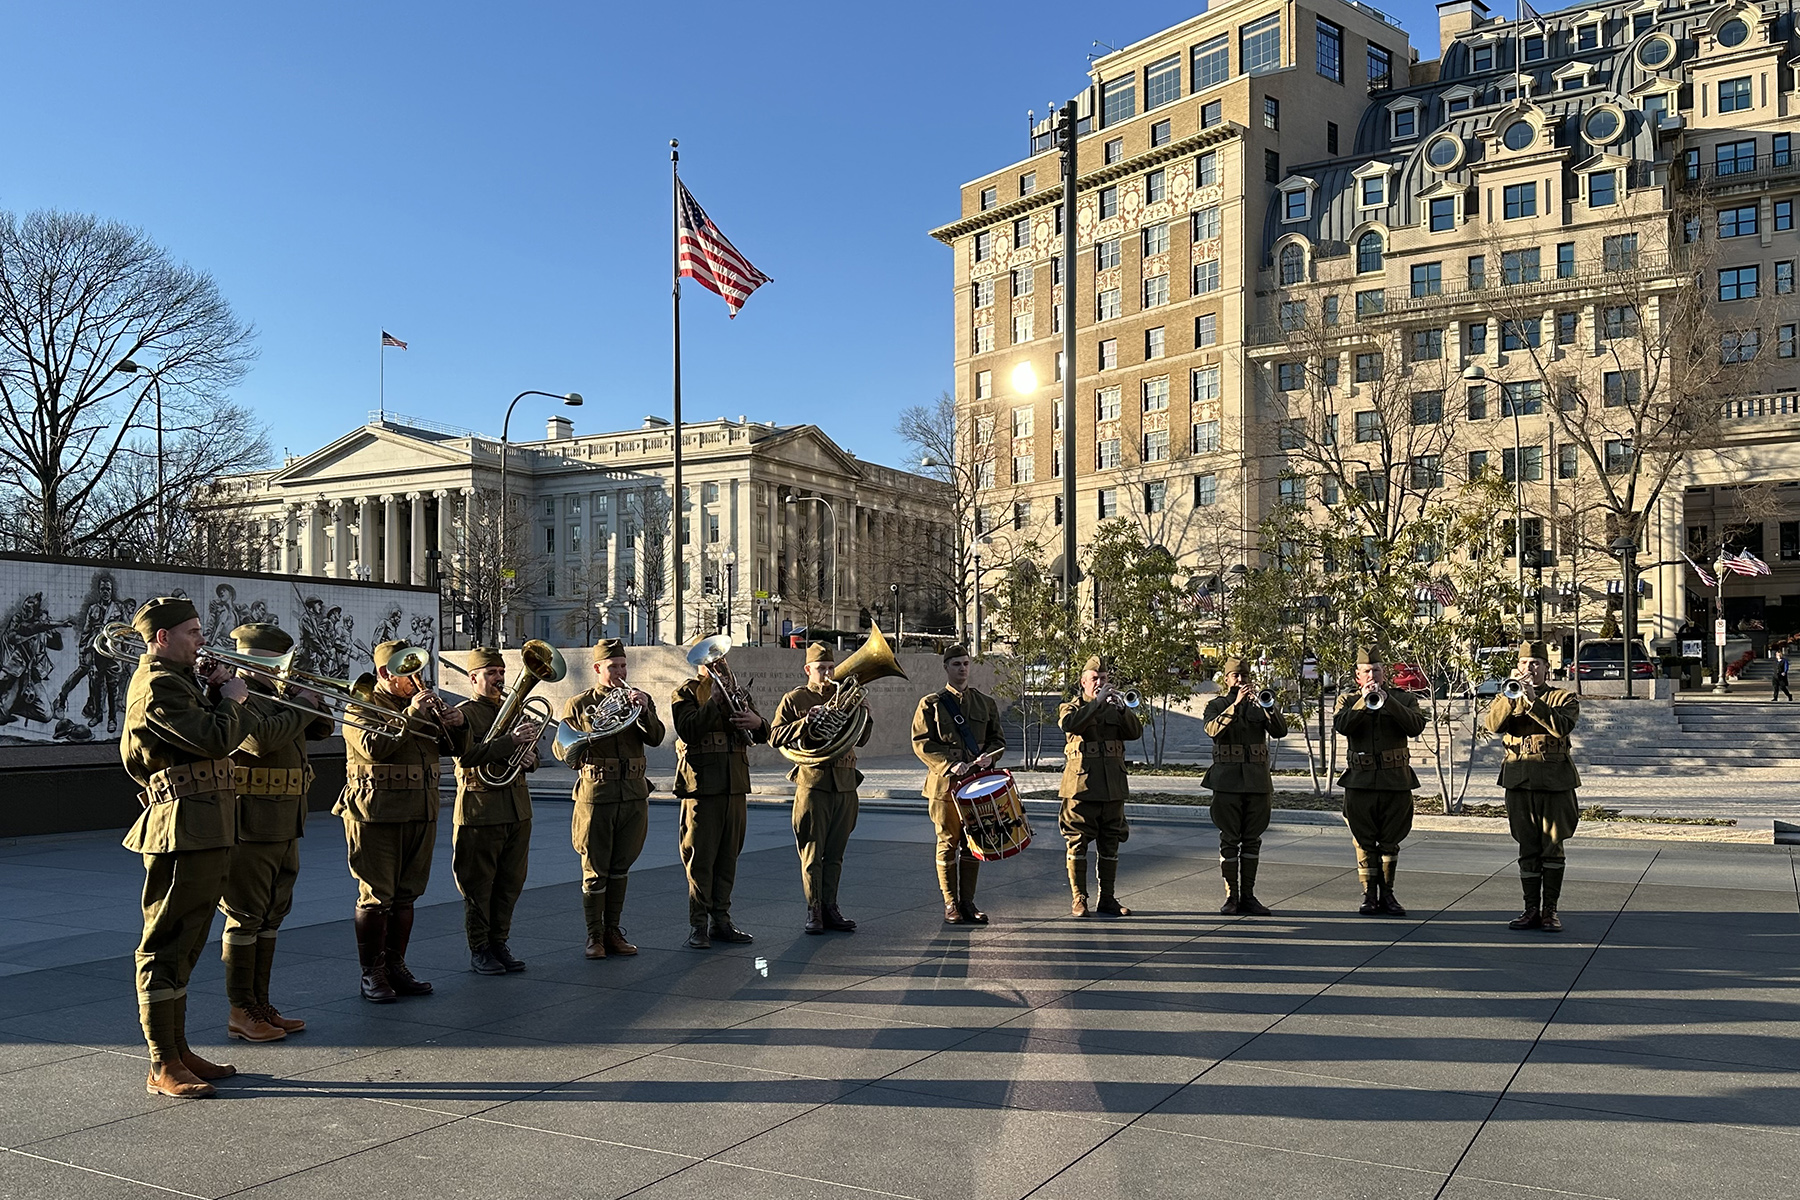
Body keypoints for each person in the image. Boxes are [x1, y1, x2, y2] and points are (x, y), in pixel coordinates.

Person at [119, 596, 257, 1098]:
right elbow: (211, 739)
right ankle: (161, 1063)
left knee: (189, 942)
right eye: (194, 631)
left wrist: (218, 688)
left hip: (205, 824)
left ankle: (177, 1049)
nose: (203, 639)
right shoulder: (156, 686)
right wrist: (234, 700)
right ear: (162, 638)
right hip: (180, 828)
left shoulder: (181, 682)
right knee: (166, 942)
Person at [219, 623, 333, 1043]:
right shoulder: (234, 694)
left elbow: (321, 729)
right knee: (245, 916)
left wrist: (305, 698)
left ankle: (260, 1004)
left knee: (271, 916)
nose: (283, 669)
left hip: (287, 821)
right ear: (256, 660)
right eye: (277, 662)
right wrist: (300, 704)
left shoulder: (279, 696)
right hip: (250, 824)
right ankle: (240, 1008)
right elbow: (260, 740)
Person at [336, 640, 466, 1002]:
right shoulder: (361, 704)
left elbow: (458, 749)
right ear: (384, 674)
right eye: (406, 672)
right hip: (376, 814)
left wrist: (458, 723)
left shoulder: (422, 706)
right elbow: (374, 746)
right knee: (377, 896)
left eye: (418, 671)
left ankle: (396, 965)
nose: (416, 679)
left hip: (420, 810)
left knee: (407, 895)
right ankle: (372, 973)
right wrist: (412, 713)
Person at [555, 637, 663, 959]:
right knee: (594, 868)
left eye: (623, 665)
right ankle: (594, 936)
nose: (619, 672)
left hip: (632, 794)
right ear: (598, 668)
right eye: (613, 666)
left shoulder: (638, 699)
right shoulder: (579, 704)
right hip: (596, 794)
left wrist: (643, 710)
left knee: (621, 866)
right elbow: (563, 749)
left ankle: (613, 930)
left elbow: (656, 738)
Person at [670, 642, 767, 948]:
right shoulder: (686, 692)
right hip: (702, 786)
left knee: (728, 856)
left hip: (735, 784)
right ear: (700, 663)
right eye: (712, 660)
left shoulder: (737, 691)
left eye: (721, 658)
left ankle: (721, 921)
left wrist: (757, 722)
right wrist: (713, 702)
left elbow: (761, 733)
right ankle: (698, 925)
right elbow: (688, 730)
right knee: (700, 858)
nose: (718, 664)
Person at [770, 642, 871, 934]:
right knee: (813, 852)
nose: (827, 674)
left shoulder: (846, 697)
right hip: (813, 782)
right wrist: (805, 722)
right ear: (807, 670)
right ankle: (814, 909)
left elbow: (861, 739)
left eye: (830, 668)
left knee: (836, 853)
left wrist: (866, 714)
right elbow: (774, 736)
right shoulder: (795, 698)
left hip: (846, 783)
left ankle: (831, 907)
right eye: (821, 669)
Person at [451, 647, 538, 975]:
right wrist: (511, 743)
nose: (499, 678)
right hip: (481, 810)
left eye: (502, 672)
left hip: (517, 810)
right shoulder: (465, 713)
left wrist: (530, 758)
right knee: (479, 884)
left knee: (510, 883)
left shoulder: (513, 712)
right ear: (474, 678)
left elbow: (529, 756)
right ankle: (480, 948)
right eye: (491, 673)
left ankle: (500, 942)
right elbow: (467, 756)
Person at [1484, 640, 1581, 933]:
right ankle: (1530, 909)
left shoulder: (1564, 698)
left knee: (1552, 847)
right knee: (1527, 847)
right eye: (1525, 664)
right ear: (1518, 667)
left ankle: (1550, 910)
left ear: (1546, 668)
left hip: (1555, 783)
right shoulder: (1508, 695)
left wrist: (1532, 701)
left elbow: (1561, 727)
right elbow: (1492, 725)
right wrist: (1511, 697)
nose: (1530, 669)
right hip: (1519, 782)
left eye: (1536, 664)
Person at [910, 643, 1005, 924]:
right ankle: (950, 902)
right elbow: (921, 743)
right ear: (946, 668)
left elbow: (998, 740)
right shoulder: (931, 704)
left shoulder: (985, 703)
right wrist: (949, 764)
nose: (962, 669)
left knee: (974, 843)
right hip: (945, 787)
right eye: (956, 664)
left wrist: (991, 756)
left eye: (965, 663)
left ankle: (968, 903)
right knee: (948, 843)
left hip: (976, 785)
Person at [1333, 645, 1426, 916]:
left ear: (1384, 673)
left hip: (1395, 781)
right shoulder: (1347, 700)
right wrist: (1364, 701)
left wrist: (1388, 700)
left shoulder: (1404, 699)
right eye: (1366, 671)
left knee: (1390, 841)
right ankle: (1368, 895)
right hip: (1360, 781)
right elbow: (1343, 726)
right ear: (1357, 676)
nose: (1372, 675)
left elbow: (1415, 726)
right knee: (1363, 840)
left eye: (1376, 670)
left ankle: (1388, 893)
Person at [1202, 657, 1288, 916]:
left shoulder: (1259, 705)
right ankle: (1232, 896)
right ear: (1226, 679)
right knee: (1229, 840)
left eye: (1244, 676)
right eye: (1236, 676)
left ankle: (1249, 896)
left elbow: (1280, 731)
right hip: (1226, 782)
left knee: (1252, 840)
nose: (1241, 681)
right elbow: (1211, 730)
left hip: (1257, 782)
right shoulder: (1217, 705)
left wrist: (1268, 708)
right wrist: (1235, 706)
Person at [1058, 656, 1143, 918]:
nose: (1100, 683)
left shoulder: (1115, 707)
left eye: (1103, 678)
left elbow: (1135, 732)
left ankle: (1107, 898)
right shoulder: (1070, 707)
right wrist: (1095, 703)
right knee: (1077, 843)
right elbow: (1070, 725)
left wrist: (1121, 709)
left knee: (1110, 843)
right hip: (1081, 787)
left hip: (1112, 787)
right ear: (1083, 681)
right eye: (1094, 678)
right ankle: (1079, 899)